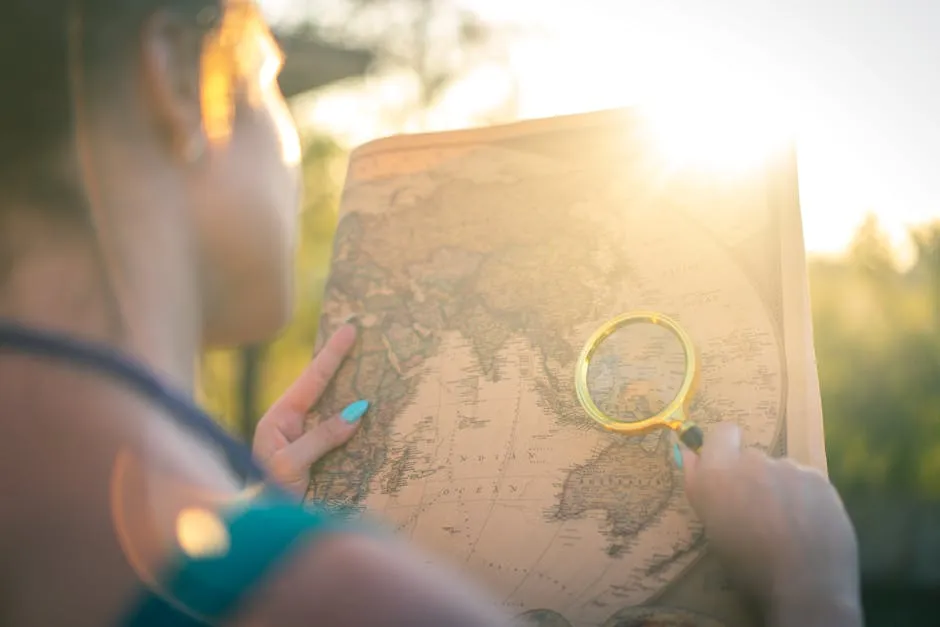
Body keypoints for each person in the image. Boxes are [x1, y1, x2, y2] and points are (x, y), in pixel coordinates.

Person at [0, 0, 862, 625]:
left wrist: (253, 511)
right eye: (268, 81)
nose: (293, 150)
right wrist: (815, 593)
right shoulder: (354, 603)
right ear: (177, 83)